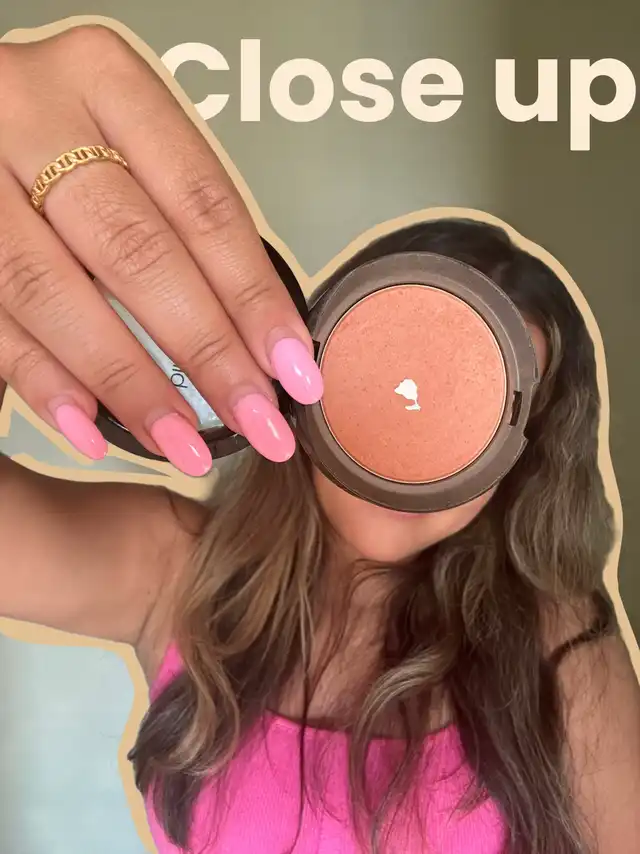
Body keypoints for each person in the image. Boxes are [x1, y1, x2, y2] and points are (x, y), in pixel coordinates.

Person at [0, 23, 639, 854]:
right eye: (395, 368)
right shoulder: (178, 569)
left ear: (525, 459)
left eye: (474, 410)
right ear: (308, 359)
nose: (413, 434)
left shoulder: (553, 644)